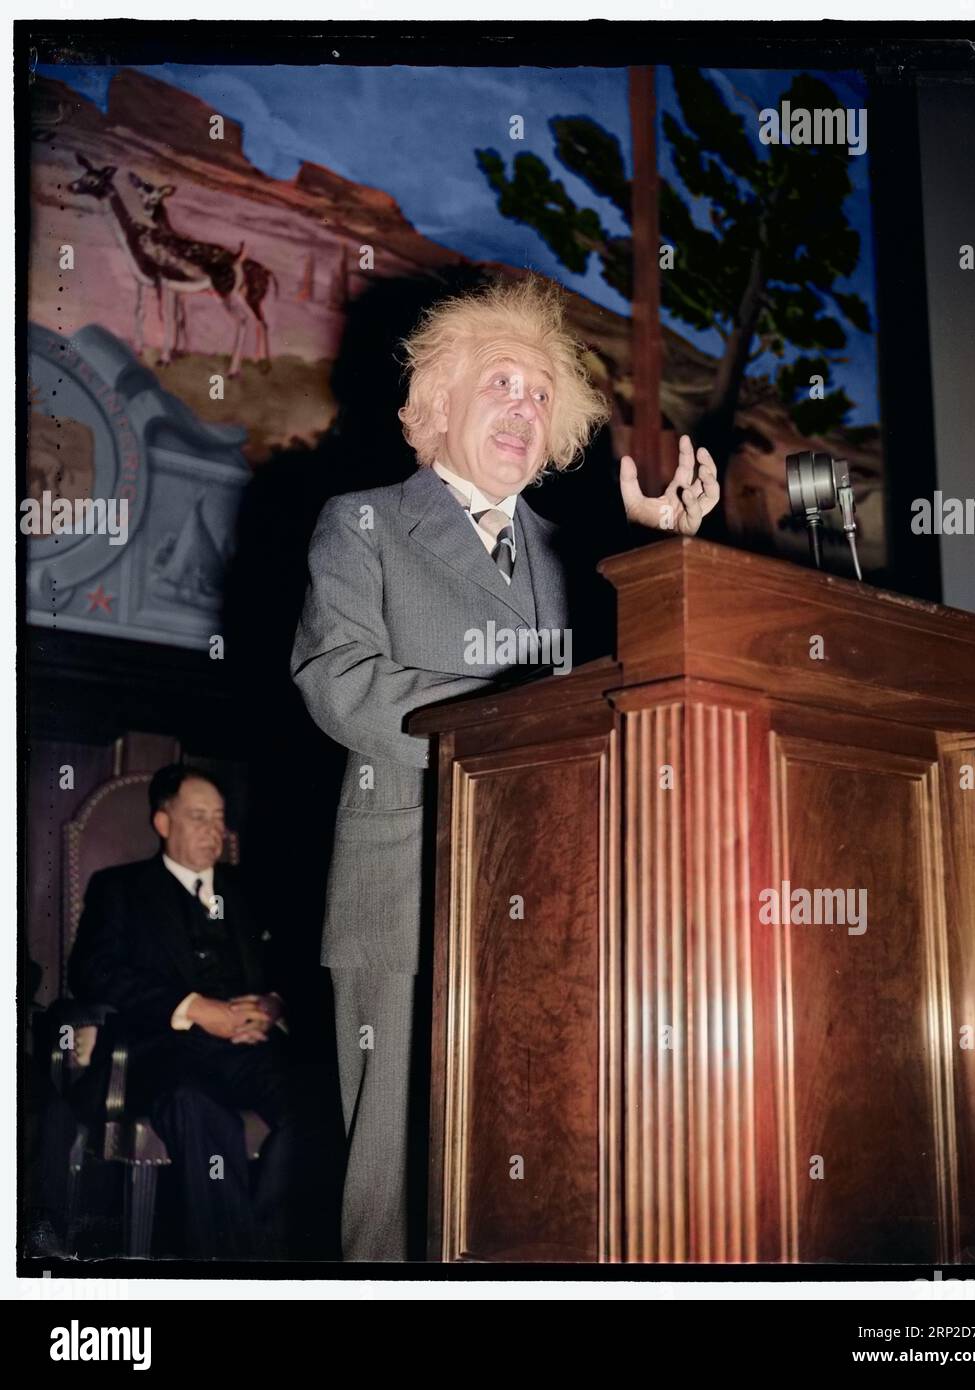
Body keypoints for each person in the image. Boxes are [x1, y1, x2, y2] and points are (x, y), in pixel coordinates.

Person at [291, 274, 720, 1260]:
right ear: (438, 405)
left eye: (539, 393)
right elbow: (336, 678)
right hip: (403, 897)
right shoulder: (359, 523)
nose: (523, 407)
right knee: (390, 1186)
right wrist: (497, 735)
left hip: (546, 907)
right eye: (499, 384)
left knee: (524, 1159)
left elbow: (628, 686)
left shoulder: (577, 557)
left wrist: (662, 556)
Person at [68, 765, 328, 1260]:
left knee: (315, 1102)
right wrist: (193, 1007)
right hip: (166, 1052)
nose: (215, 830)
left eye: (220, 818)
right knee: (198, 1109)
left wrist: (273, 1005)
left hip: (251, 1048)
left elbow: (292, 966)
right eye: (199, 817)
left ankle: (267, 1254)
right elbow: (94, 972)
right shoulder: (120, 889)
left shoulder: (247, 889)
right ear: (164, 823)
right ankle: (230, 1265)